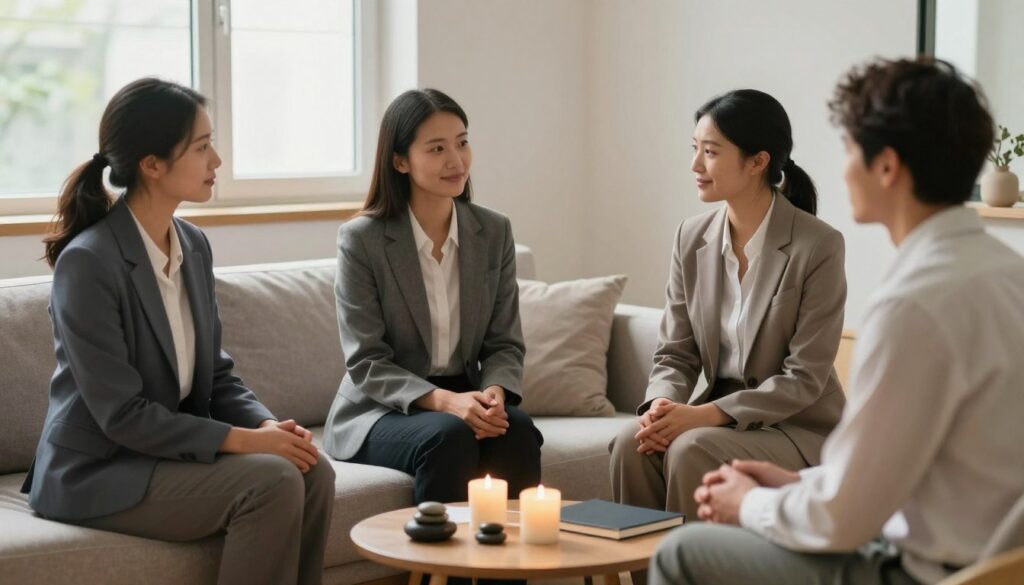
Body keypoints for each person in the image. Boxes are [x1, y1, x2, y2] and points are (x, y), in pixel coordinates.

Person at [651, 57, 1024, 585]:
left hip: (923, 571)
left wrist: (750, 503)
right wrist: (796, 485)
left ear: (887, 167)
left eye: (849, 149)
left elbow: (840, 521)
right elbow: (921, 468)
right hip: (999, 563)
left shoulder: (911, 304)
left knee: (681, 554)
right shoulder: (1010, 274)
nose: (843, 166)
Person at [21, 78, 335, 585]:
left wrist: (273, 431)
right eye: (202, 147)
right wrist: (247, 444)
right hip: (99, 469)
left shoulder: (192, 244)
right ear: (151, 165)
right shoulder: (89, 263)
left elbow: (217, 375)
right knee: (272, 482)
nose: (217, 161)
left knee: (312, 468)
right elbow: (121, 415)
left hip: (160, 454)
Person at [610, 89, 847, 528]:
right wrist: (661, 405)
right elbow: (675, 353)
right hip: (715, 418)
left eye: (711, 152)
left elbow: (805, 378)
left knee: (690, 448)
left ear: (758, 161)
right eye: (694, 149)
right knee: (633, 442)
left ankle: (694, 570)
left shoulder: (818, 246)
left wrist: (703, 416)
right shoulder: (691, 236)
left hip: (797, 427)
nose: (696, 165)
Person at [322, 88, 543, 506]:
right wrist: (446, 402)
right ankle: (442, 572)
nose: (456, 160)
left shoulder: (493, 232)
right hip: (381, 408)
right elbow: (366, 360)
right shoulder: (362, 239)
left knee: (517, 432)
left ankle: (509, 569)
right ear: (400, 160)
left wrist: (494, 394)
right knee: (449, 436)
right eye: (437, 148)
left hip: (467, 393)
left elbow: (504, 343)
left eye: (462, 142)